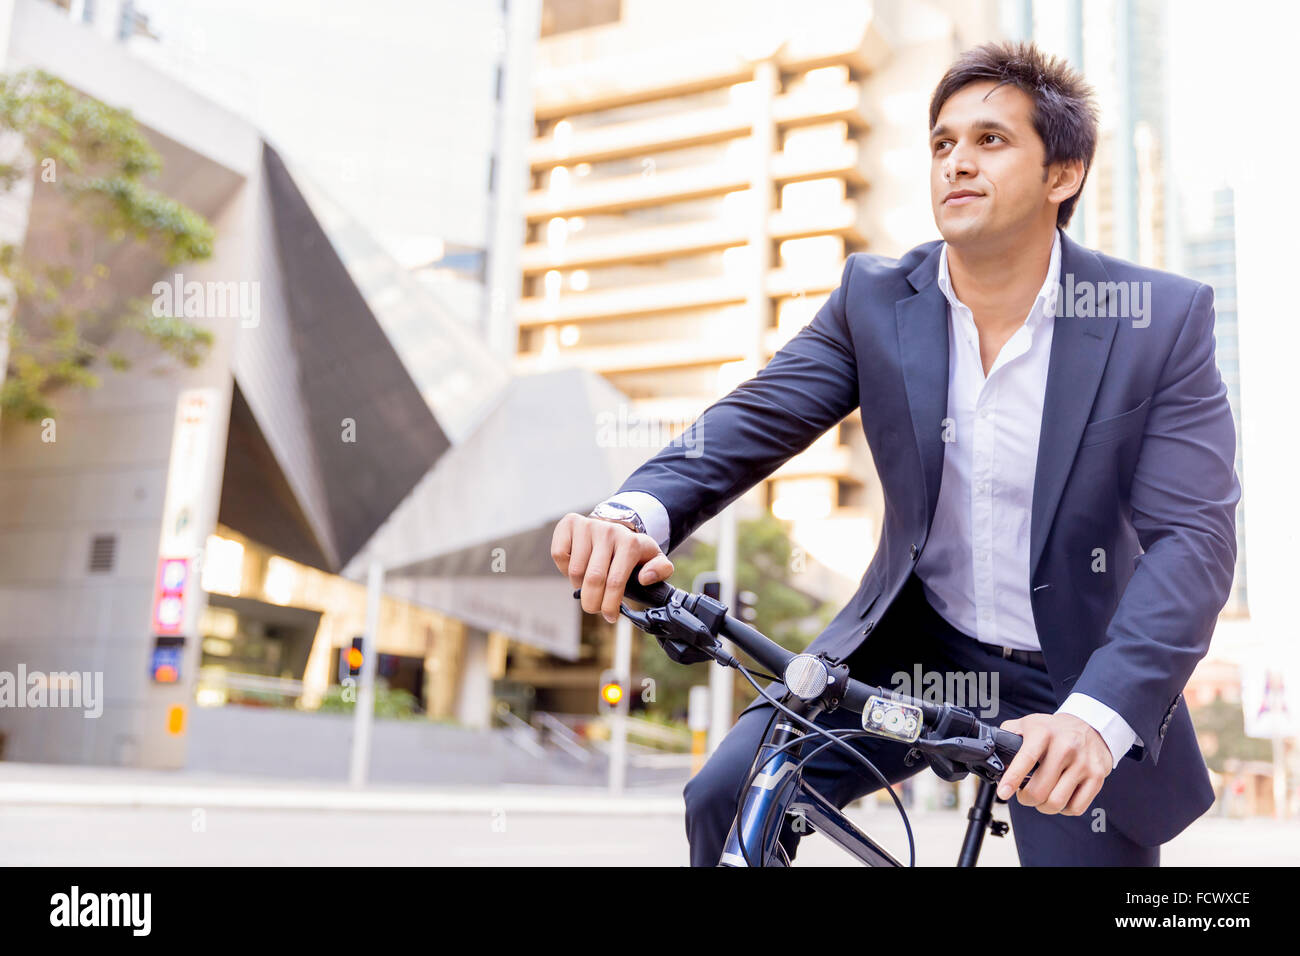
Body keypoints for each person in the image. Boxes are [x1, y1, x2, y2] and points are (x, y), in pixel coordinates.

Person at [550, 40, 1239, 866]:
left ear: (1064, 175)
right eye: (943, 143)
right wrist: (634, 514)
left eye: (990, 140)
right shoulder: (874, 301)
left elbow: (1194, 543)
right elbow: (750, 419)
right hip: (915, 649)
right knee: (727, 796)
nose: (957, 162)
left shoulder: (1155, 321)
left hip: (1077, 675)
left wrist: (1097, 718)